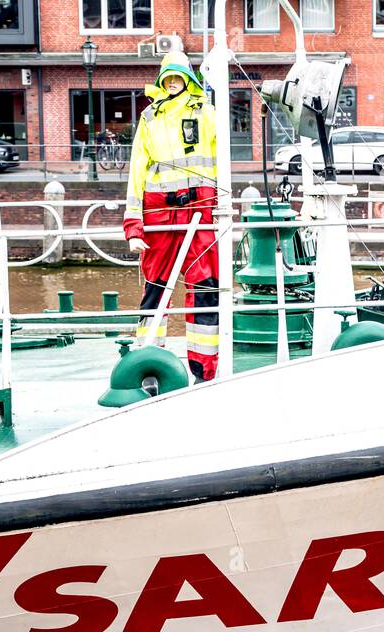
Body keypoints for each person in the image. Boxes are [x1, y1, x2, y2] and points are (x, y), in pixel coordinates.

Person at [124, 47, 220, 382]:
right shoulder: (150, 117)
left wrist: (222, 203)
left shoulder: (206, 113)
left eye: (180, 76)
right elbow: (137, 170)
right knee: (155, 286)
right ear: (162, 81)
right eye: (169, 77)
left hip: (201, 210)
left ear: (189, 79)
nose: (174, 82)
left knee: (206, 286)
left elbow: (222, 159)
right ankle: (148, 361)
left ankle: (204, 369)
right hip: (159, 213)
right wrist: (134, 226)